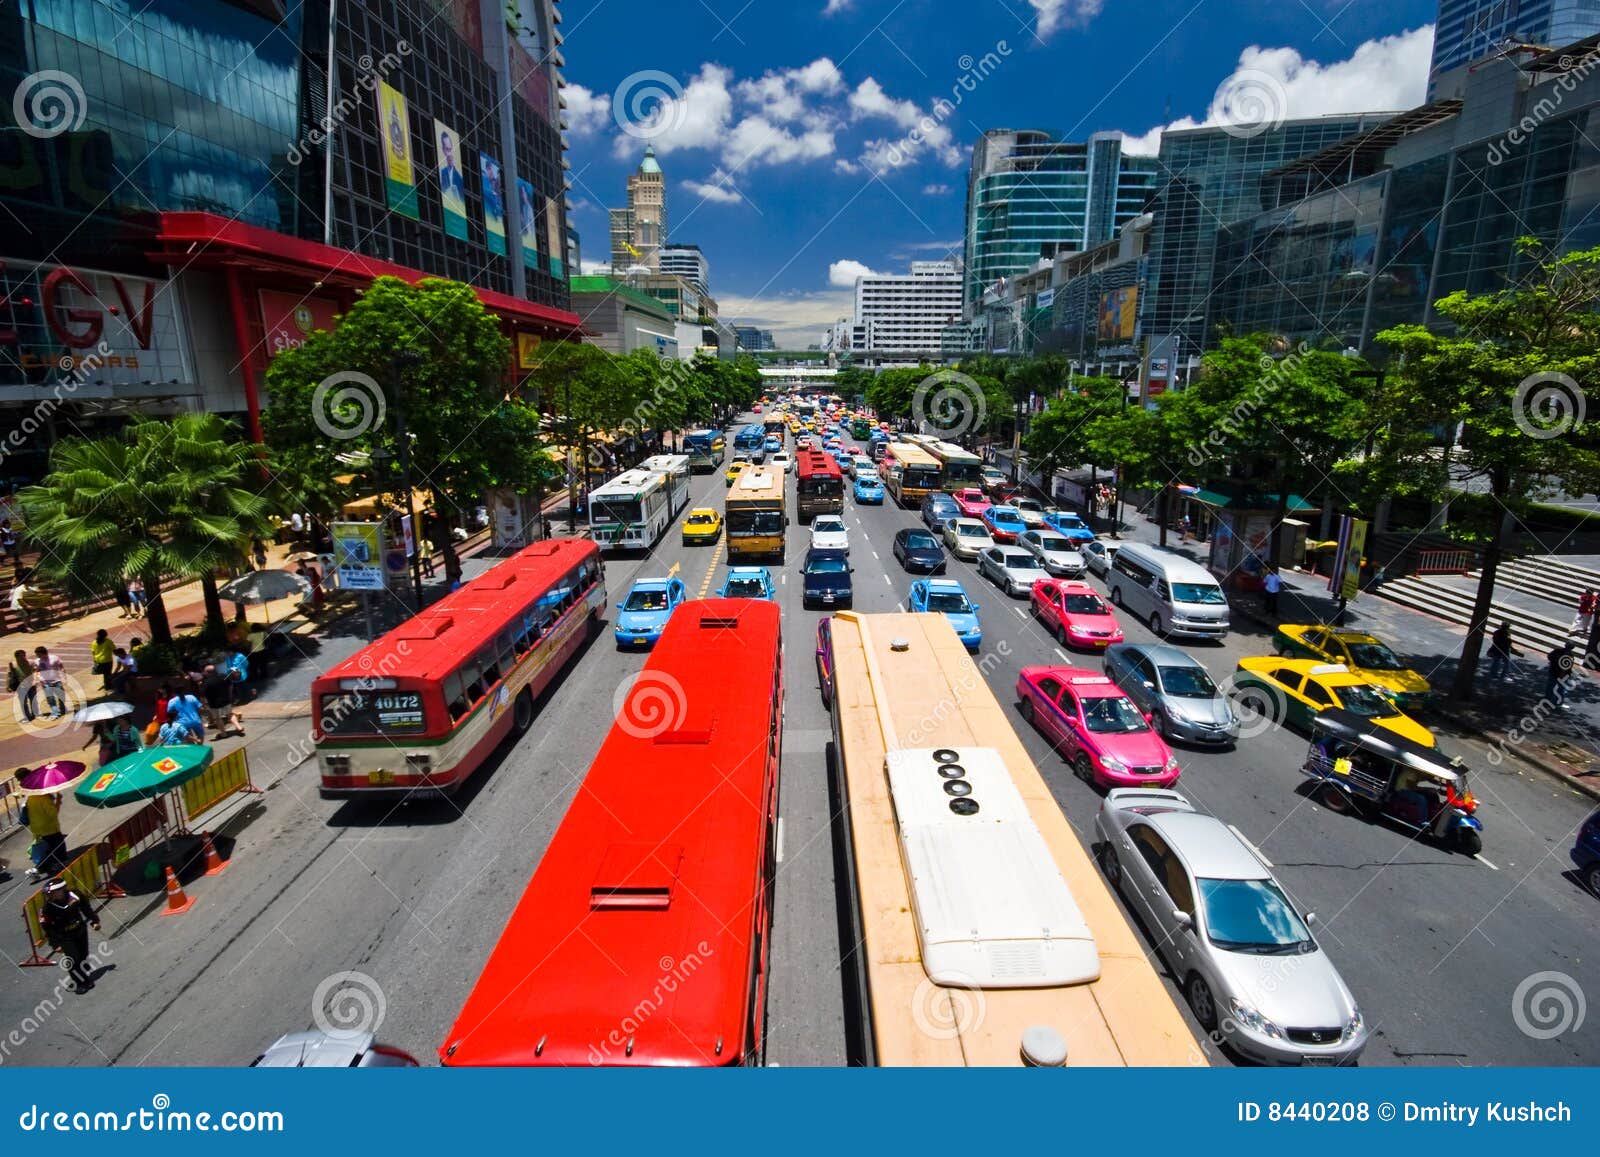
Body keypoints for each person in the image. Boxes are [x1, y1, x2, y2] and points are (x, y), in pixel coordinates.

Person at [39, 878, 100, 994]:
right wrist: (55, 944)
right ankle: (81, 983)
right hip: (64, 936)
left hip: (80, 929)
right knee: (73, 959)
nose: (49, 896)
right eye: (48, 894)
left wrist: (94, 920)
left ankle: (82, 970)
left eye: (52, 893)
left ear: (62, 890)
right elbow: (47, 927)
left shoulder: (75, 895)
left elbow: (85, 907)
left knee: (83, 954)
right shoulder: (47, 908)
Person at [24, 789, 67, 878]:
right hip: (49, 828)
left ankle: (47, 867)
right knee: (56, 848)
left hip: (37, 828)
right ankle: (38, 869)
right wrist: (58, 801)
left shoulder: (31, 798)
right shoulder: (45, 799)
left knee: (49, 848)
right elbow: (53, 814)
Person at [201, 664, 243, 738]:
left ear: (208, 672)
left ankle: (223, 734)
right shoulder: (223, 676)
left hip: (214, 704)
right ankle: (239, 727)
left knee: (218, 718)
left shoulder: (207, 683)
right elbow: (230, 685)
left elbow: (202, 696)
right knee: (230, 715)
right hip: (226, 700)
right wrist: (230, 696)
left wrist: (204, 705)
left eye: (205, 672)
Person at [31, 646, 66, 717]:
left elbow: (61, 667)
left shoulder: (54, 658)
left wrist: (63, 677)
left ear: (45, 653)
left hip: (57, 681)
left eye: (39, 655)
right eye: (37, 655)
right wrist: (35, 679)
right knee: (50, 698)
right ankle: (56, 712)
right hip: (45, 682)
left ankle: (62, 708)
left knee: (61, 696)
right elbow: (35, 671)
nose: (38, 656)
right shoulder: (37, 661)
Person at [1546, 640, 1577, 709]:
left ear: (1565, 644)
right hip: (1562, 675)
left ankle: (1547, 700)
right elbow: (1565, 668)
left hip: (1553, 671)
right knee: (1561, 689)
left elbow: (1549, 656)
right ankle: (1558, 703)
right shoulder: (1570, 655)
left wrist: (1552, 662)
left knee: (1550, 686)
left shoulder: (1557, 650)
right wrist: (1562, 675)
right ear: (1573, 647)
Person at [9, 649, 36, 722]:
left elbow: (35, 671)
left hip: (31, 685)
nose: (23, 657)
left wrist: (36, 680)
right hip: (21, 687)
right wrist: (8, 685)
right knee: (23, 702)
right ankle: (27, 716)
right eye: (21, 656)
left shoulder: (30, 662)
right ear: (16, 657)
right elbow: (10, 674)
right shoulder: (13, 664)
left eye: (24, 655)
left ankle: (34, 715)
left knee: (33, 700)